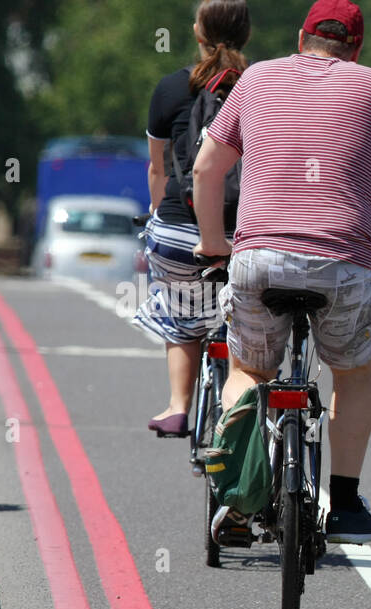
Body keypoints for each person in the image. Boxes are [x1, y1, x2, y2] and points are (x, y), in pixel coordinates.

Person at [192, 0, 371, 544]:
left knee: (249, 371)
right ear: (357, 48)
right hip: (344, 262)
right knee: (353, 374)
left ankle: (240, 501)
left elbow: (206, 169)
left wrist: (213, 244)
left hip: (259, 261)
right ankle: (343, 504)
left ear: (302, 38)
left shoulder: (255, 81)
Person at [138, 0, 251, 437]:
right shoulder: (262, 86)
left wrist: (154, 214)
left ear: (196, 32)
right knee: (253, 318)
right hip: (247, 230)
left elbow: (158, 169)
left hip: (178, 228)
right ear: (246, 34)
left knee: (179, 311)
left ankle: (178, 405)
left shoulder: (171, 87)